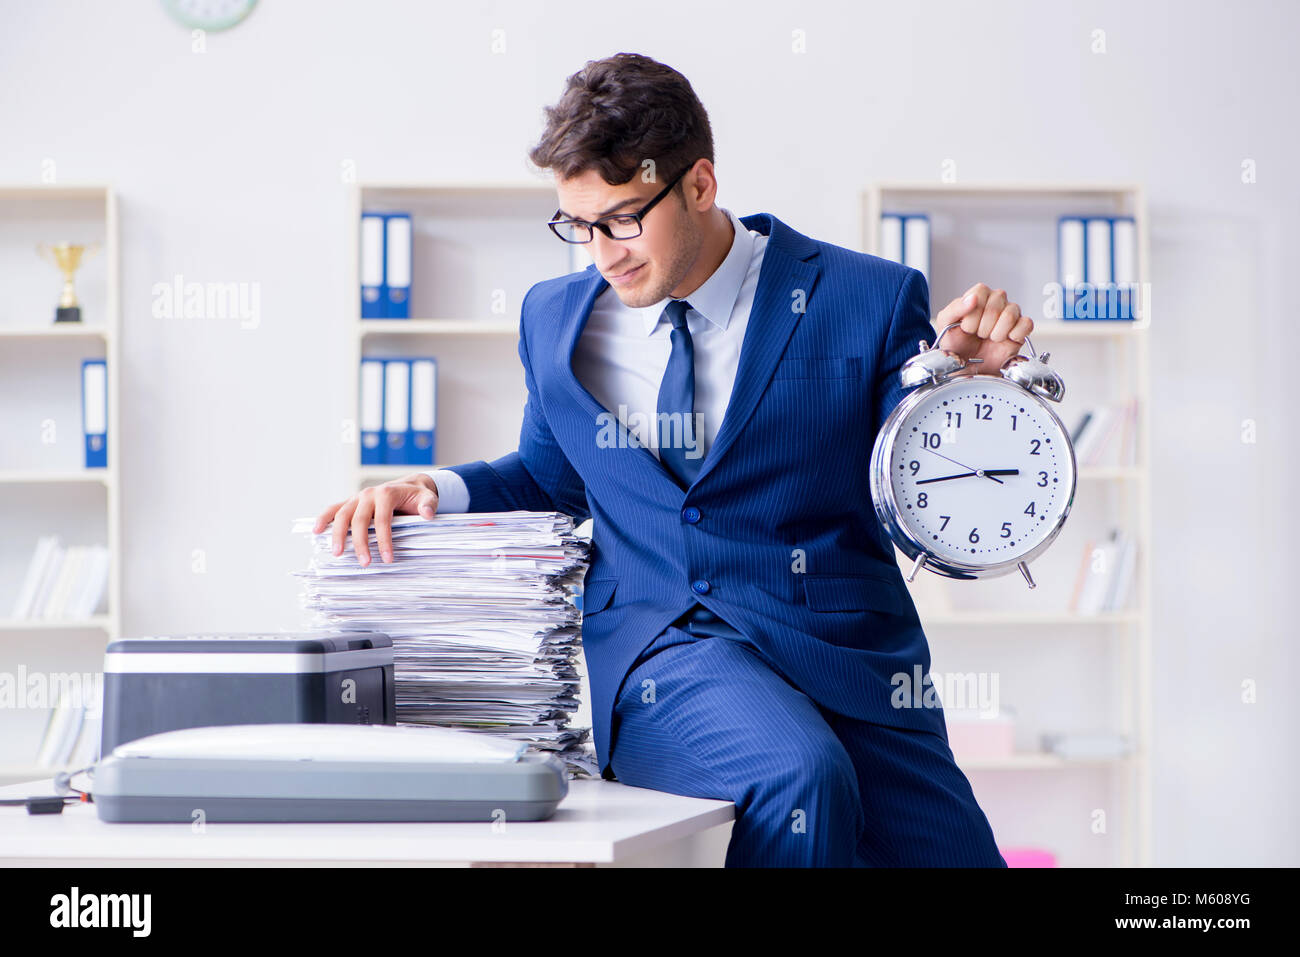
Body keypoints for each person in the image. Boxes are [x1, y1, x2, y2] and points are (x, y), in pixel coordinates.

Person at [314, 52, 1033, 867]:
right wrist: (430, 487)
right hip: (667, 655)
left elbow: (917, 503)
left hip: (848, 663)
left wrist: (965, 395)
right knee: (801, 776)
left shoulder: (865, 295)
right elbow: (550, 482)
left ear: (699, 184)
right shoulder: (555, 320)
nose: (602, 253)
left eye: (623, 219)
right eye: (578, 226)